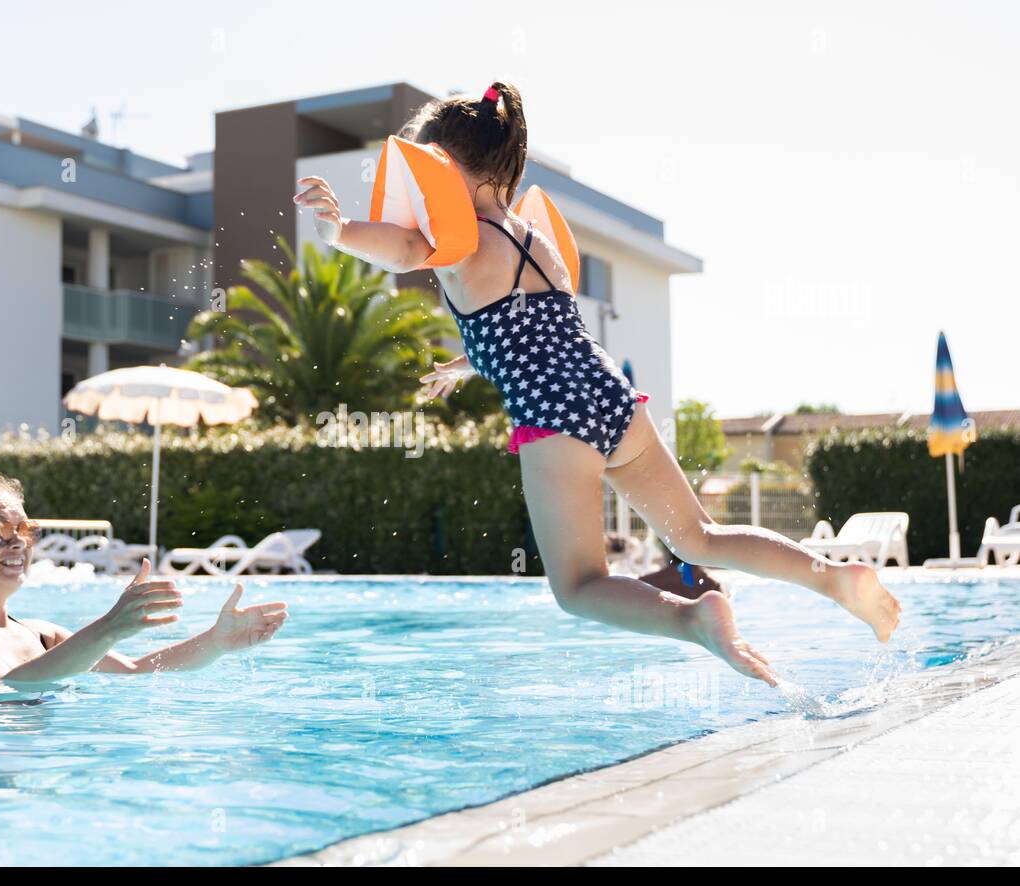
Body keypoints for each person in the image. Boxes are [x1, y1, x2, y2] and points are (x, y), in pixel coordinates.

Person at [294, 81, 901, 686]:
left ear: (441, 169)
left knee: (579, 586)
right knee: (701, 537)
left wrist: (340, 230)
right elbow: (530, 332)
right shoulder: (535, 242)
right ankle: (832, 577)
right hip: (611, 398)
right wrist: (467, 364)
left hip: (555, 418)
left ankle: (696, 619)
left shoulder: (462, 242)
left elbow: (402, 248)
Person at [0, 469, 288, 682]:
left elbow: (138, 671)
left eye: (26, 530)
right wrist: (111, 627)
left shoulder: (42, 635)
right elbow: (4, 689)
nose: (18, 544)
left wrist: (216, 642)